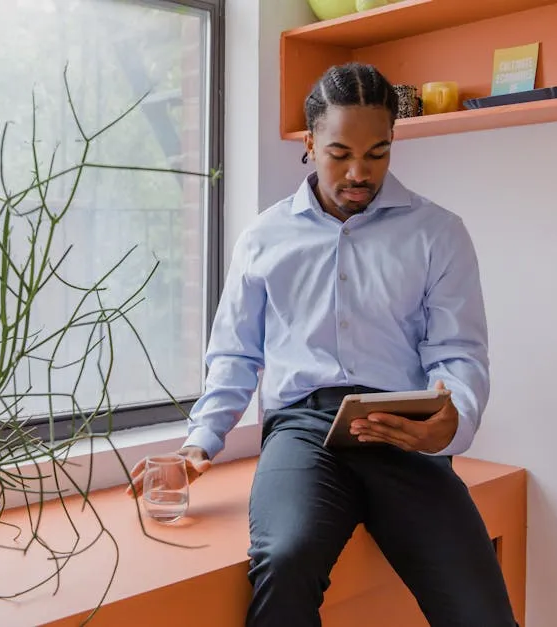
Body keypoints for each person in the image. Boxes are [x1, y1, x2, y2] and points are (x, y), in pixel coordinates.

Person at [127, 62, 518, 626]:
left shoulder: (438, 233)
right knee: (284, 558)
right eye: (340, 154)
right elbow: (235, 353)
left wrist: (450, 423)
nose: (360, 172)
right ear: (310, 143)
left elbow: (458, 352)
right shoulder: (264, 236)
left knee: (479, 606)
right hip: (303, 432)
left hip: (401, 431)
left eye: (377, 153)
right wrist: (200, 442)